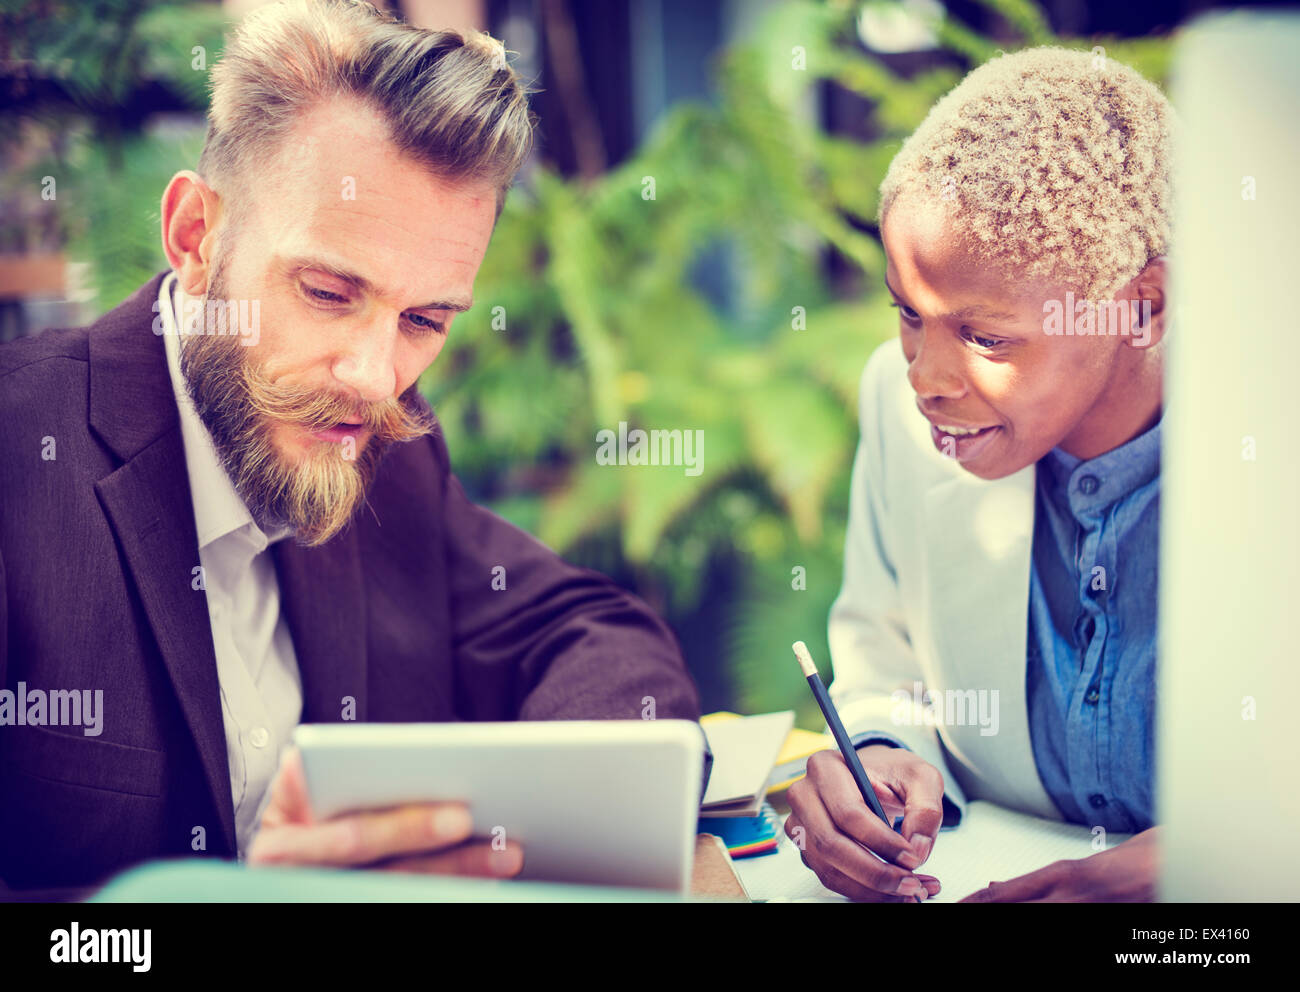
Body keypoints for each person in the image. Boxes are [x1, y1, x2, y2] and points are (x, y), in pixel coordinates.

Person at [0, 0, 702, 898]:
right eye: (330, 293)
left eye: (424, 320)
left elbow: (593, 634)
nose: (376, 378)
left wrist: (536, 820)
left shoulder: (389, 453)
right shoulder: (22, 461)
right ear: (196, 238)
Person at [785, 46, 1171, 902]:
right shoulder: (900, 402)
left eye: (987, 338)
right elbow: (885, 650)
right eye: (908, 315)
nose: (926, 377)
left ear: (1142, 307)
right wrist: (884, 755)